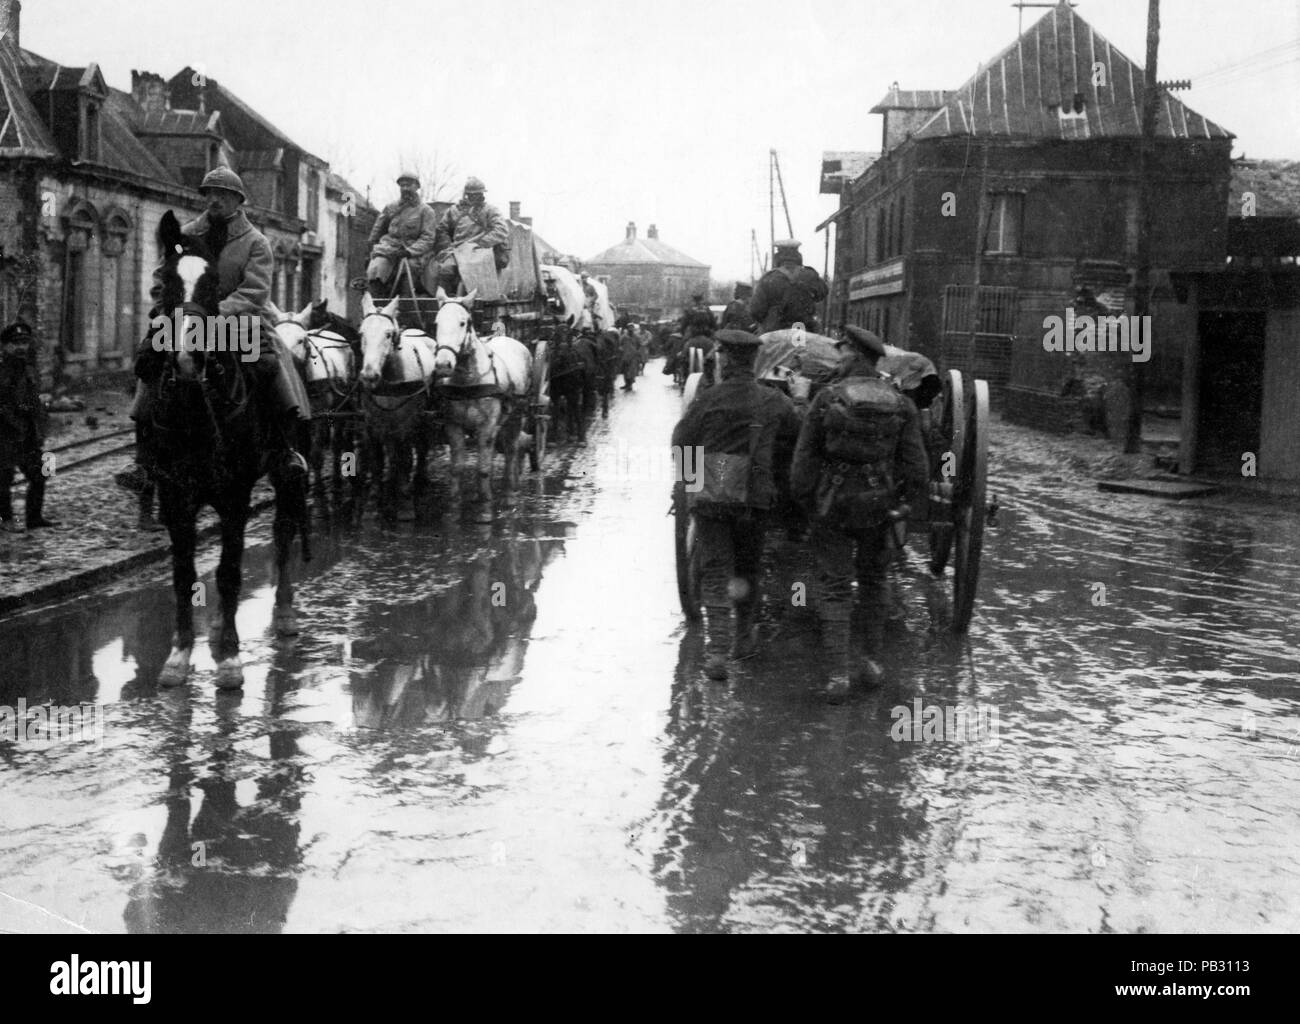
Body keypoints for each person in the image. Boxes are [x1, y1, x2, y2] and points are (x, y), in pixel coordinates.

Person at [131, 167, 308, 481]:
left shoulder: (256, 243)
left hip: (239, 324)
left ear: (238, 200)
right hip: (185, 320)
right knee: (150, 360)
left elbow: (255, 292)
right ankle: (142, 458)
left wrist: (213, 313)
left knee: (268, 363)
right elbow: (162, 278)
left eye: (223, 194)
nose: (215, 200)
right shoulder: (184, 235)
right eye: (210, 193)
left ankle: (284, 448)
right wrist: (169, 311)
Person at [789, 325, 928, 700]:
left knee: (834, 587)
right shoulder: (902, 403)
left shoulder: (826, 398)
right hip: (879, 506)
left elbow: (804, 461)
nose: (840, 356)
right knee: (873, 582)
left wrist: (807, 505)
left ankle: (837, 676)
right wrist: (906, 508)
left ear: (851, 354)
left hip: (833, 506)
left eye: (843, 351)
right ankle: (871, 664)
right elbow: (916, 466)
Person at [671, 329, 801, 682]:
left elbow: (681, 440)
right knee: (747, 569)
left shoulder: (708, 400)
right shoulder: (774, 400)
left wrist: (692, 486)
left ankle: (716, 654)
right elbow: (797, 438)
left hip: (713, 495)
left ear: (725, 360)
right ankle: (743, 641)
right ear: (754, 362)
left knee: (715, 572)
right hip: (755, 500)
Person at [0, 321, 58, 532]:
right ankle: (5, 520)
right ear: (5, 346)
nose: (21, 347)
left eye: (24, 342)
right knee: (3, 478)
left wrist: (40, 428)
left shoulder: (30, 370)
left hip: (28, 433)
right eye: (15, 343)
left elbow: (35, 402)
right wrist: (14, 423)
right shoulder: (2, 370)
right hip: (4, 433)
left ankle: (34, 517)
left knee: (41, 473)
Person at [366, 172, 440, 297]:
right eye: (402, 185)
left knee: (408, 270)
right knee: (376, 268)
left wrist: (409, 251)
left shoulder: (426, 211)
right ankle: (374, 307)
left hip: (414, 253)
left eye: (409, 185)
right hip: (388, 249)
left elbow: (427, 239)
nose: (405, 188)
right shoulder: (390, 207)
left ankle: (406, 306)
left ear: (417, 187)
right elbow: (377, 232)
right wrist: (371, 251)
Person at [433, 177, 510, 295]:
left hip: (480, 250)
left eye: (478, 194)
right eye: (471, 195)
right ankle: (443, 298)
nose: (474, 197)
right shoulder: (454, 211)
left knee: (470, 272)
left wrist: (481, 243)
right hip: (457, 249)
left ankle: (469, 298)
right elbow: (442, 230)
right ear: (466, 195)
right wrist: (447, 246)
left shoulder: (490, 210)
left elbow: (501, 229)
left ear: (482, 194)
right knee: (445, 268)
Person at [750, 239, 829, 333]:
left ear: (778, 256)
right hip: (805, 330)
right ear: (797, 255)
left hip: (776, 332)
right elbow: (823, 292)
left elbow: (756, 311)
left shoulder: (768, 278)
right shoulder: (810, 275)